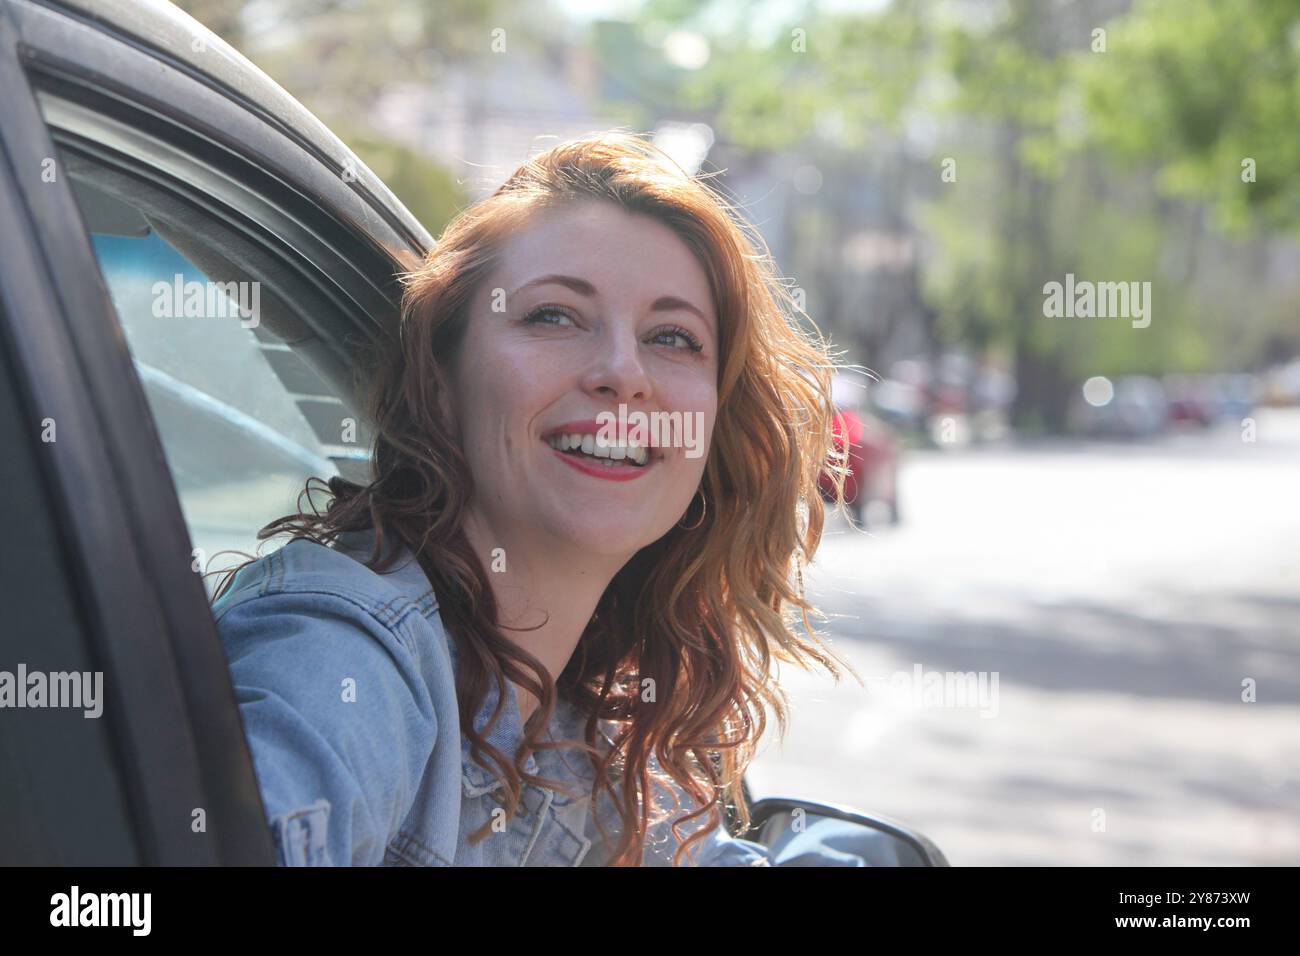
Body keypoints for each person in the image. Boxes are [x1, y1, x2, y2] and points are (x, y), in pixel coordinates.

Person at [211, 130, 861, 866]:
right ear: (441, 385)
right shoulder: (347, 662)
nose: (624, 372)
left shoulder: (597, 735)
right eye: (553, 315)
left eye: (673, 337)